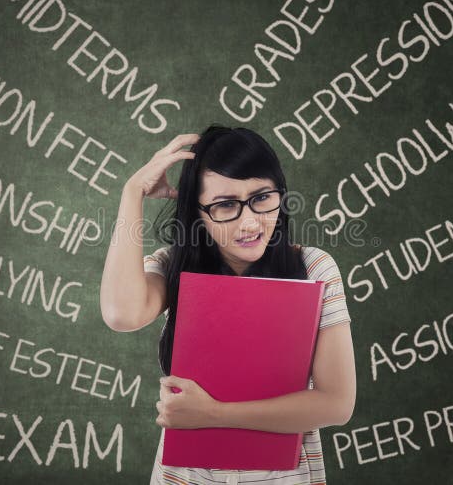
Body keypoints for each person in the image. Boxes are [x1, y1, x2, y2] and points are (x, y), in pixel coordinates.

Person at [100, 124, 356, 484]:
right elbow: (120, 314)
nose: (250, 221)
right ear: (198, 213)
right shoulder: (174, 266)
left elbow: (336, 404)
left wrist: (214, 413)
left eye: (262, 197)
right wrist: (132, 193)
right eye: (225, 205)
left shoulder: (313, 268)